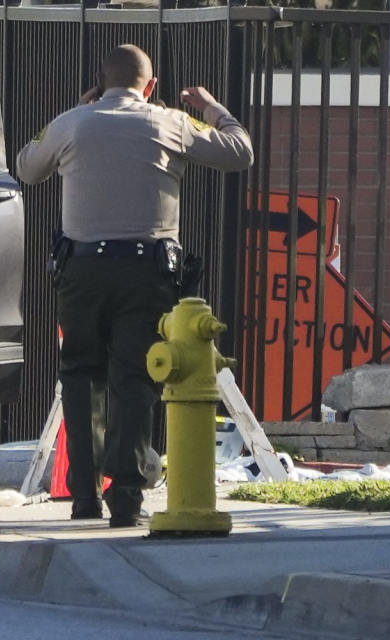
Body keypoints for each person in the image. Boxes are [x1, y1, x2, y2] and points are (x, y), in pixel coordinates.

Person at [15, 44, 253, 527]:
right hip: (145, 273)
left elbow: (26, 168)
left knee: (81, 375)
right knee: (134, 377)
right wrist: (210, 108)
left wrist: (82, 112)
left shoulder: (71, 122)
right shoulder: (169, 122)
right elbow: (240, 152)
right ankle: (125, 496)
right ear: (152, 84)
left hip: (81, 272)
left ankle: (82, 492)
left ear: (100, 84)